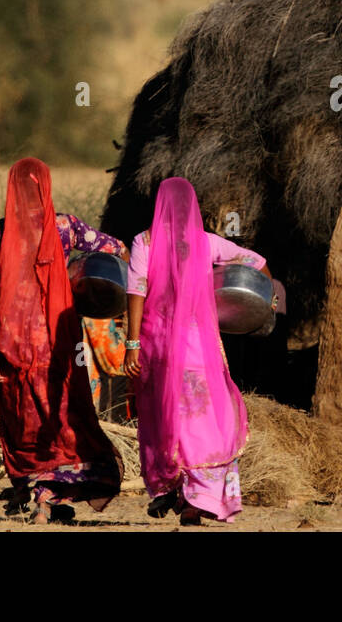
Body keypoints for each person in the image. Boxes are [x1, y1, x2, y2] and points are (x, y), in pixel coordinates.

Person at [0, 157, 126, 525]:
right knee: (63, 410)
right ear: (46, 187)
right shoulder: (64, 226)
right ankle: (51, 492)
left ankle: (38, 493)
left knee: (24, 415)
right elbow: (117, 248)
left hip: (13, 339)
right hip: (58, 339)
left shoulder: (0, 231)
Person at [123, 177, 272, 525]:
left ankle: (172, 488)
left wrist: (132, 344)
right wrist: (268, 299)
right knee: (201, 416)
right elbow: (258, 262)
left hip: (157, 345)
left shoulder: (145, 242)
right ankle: (199, 494)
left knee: (165, 414)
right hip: (197, 346)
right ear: (192, 207)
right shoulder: (207, 243)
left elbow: (136, 293)